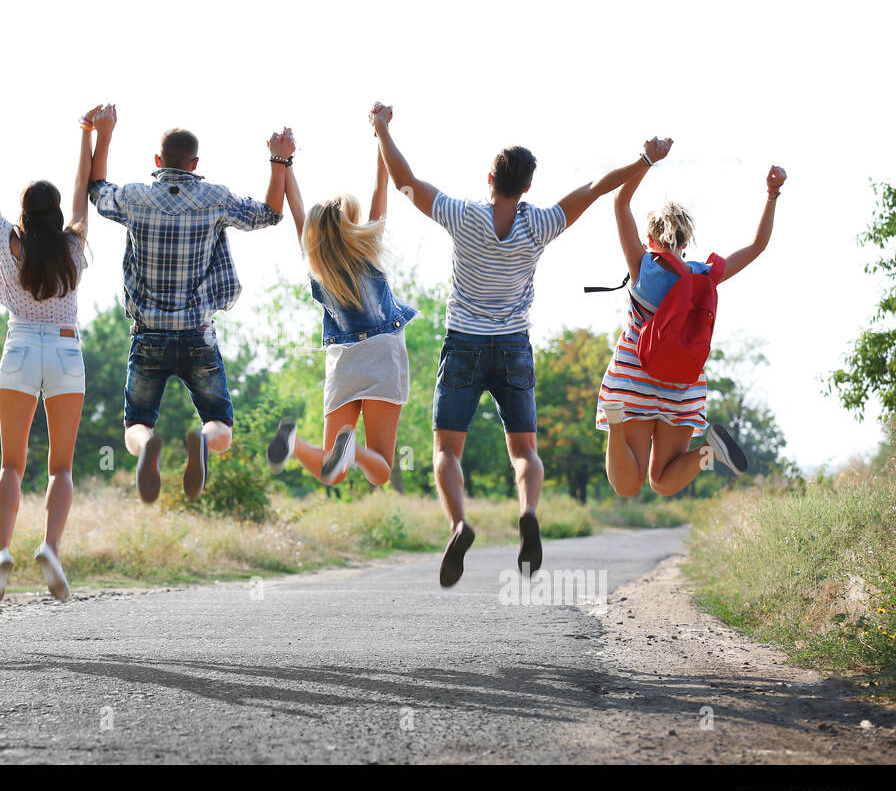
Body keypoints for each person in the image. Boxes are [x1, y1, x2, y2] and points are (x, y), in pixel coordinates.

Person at [370, 101, 667, 585]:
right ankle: (527, 511)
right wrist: (646, 161)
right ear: (527, 186)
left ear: (490, 177)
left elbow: (404, 180)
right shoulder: (540, 224)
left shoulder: (462, 216)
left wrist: (381, 129)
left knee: (447, 449)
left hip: (464, 343)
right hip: (512, 346)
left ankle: (459, 523)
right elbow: (595, 189)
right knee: (525, 451)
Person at [87, 106, 291, 503]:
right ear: (196, 163)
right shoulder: (216, 198)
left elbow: (96, 190)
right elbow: (269, 214)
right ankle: (203, 439)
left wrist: (103, 134)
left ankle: (147, 446)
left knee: (137, 422)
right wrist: (279, 159)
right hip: (198, 335)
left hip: (148, 335)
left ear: (158, 161)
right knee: (221, 425)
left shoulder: (133, 197)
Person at [597, 145, 787, 497]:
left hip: (633, 376)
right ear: (686, 240)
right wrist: (772, 194)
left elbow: (620, 203)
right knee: (663, 482)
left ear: (650, 239)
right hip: (682, 385)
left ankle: (616, 423)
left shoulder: (642, 265)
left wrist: (648, 159)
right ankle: (710, 451)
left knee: (628, 485)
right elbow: (757, 245)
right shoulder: (705, 276)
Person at [0, 106, 106, 606]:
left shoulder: (10, 242)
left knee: (11, 465)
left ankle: (0, 552)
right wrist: (87, 135)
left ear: (24, 213)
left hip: (21, 346)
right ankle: (50, 547)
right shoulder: (74, 245)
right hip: (67, 348)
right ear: (57, 215)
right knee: (61, 468)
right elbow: (82, 185)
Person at [266, 132, 415, 487]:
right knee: (380, 469)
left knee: (331, 473)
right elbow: (381, 188)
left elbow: (296, 208)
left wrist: (283, 161)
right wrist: (380, 137)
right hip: (382, 355)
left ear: (314, 233)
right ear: (351, 224)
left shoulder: (315, 261)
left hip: (343, 361)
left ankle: (294, 442)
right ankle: (355, 450)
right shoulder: (369, 248)